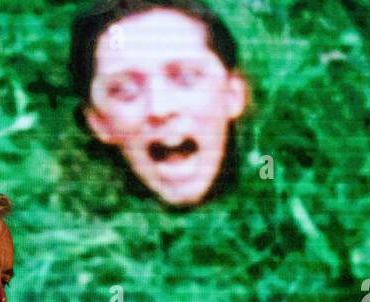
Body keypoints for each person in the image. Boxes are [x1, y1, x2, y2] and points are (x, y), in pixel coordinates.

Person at [70, 0, 249, 208]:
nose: (159, 108)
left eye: (186, 77)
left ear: (232, 95)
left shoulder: (269, 168)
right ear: (99, 122)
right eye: (124, 90)